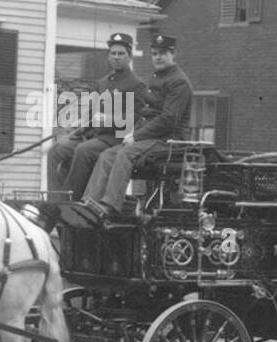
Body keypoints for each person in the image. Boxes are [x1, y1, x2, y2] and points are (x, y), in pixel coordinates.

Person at [82, 32, 193, 218]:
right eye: (155, 53)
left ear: (174, 55)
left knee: (126, 153)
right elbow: (147, 113)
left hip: (169, 140)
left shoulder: (178, 82)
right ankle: (89, 204)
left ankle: (109, 206)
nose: (158, 57)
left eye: (163, 53)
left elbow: (168, 120)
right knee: (108, 155)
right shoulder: (157, 77)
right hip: (151, 137)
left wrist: (136, 136)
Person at [47, 33, 148, 200]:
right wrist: (78, 129)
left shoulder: (136, 85)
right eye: (113, 53)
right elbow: (92, 113)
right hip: (94, 135)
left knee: (83, 151)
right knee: (57, 150)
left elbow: (133, 120)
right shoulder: (103, 82)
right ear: (108, 57)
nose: (116, 57)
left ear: (129, 56)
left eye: (121, 53)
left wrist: (108, 120)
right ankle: (54, 199)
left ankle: (70, 200)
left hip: (115, 138)